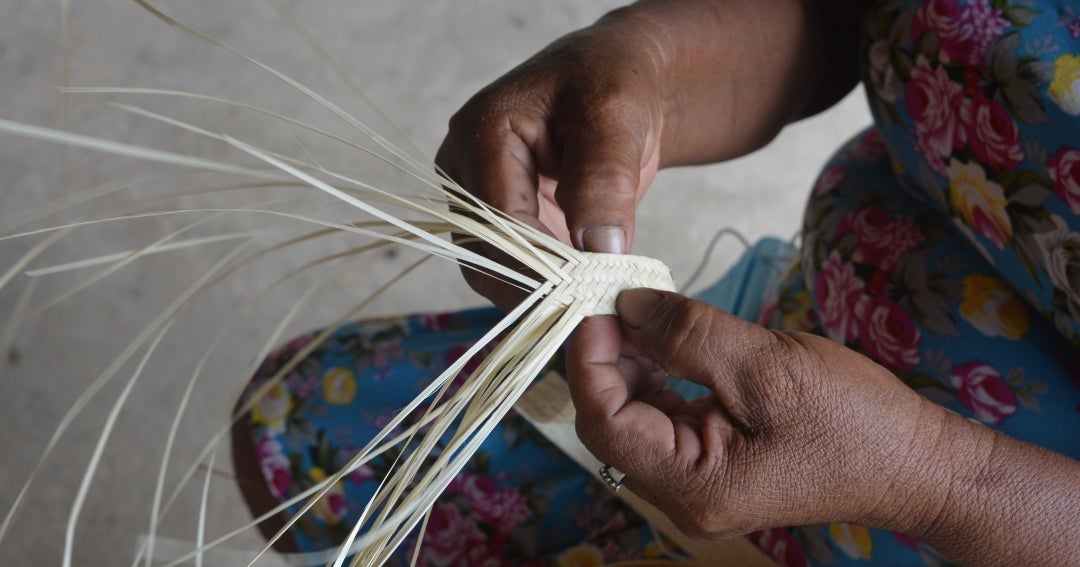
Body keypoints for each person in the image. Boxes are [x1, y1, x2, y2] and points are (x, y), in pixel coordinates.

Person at [234, 0, 1080, 564]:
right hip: (786, 363)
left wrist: (940, 477)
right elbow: (849, 16)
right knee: (294, 427)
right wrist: (646, 65)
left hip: (965, 524)